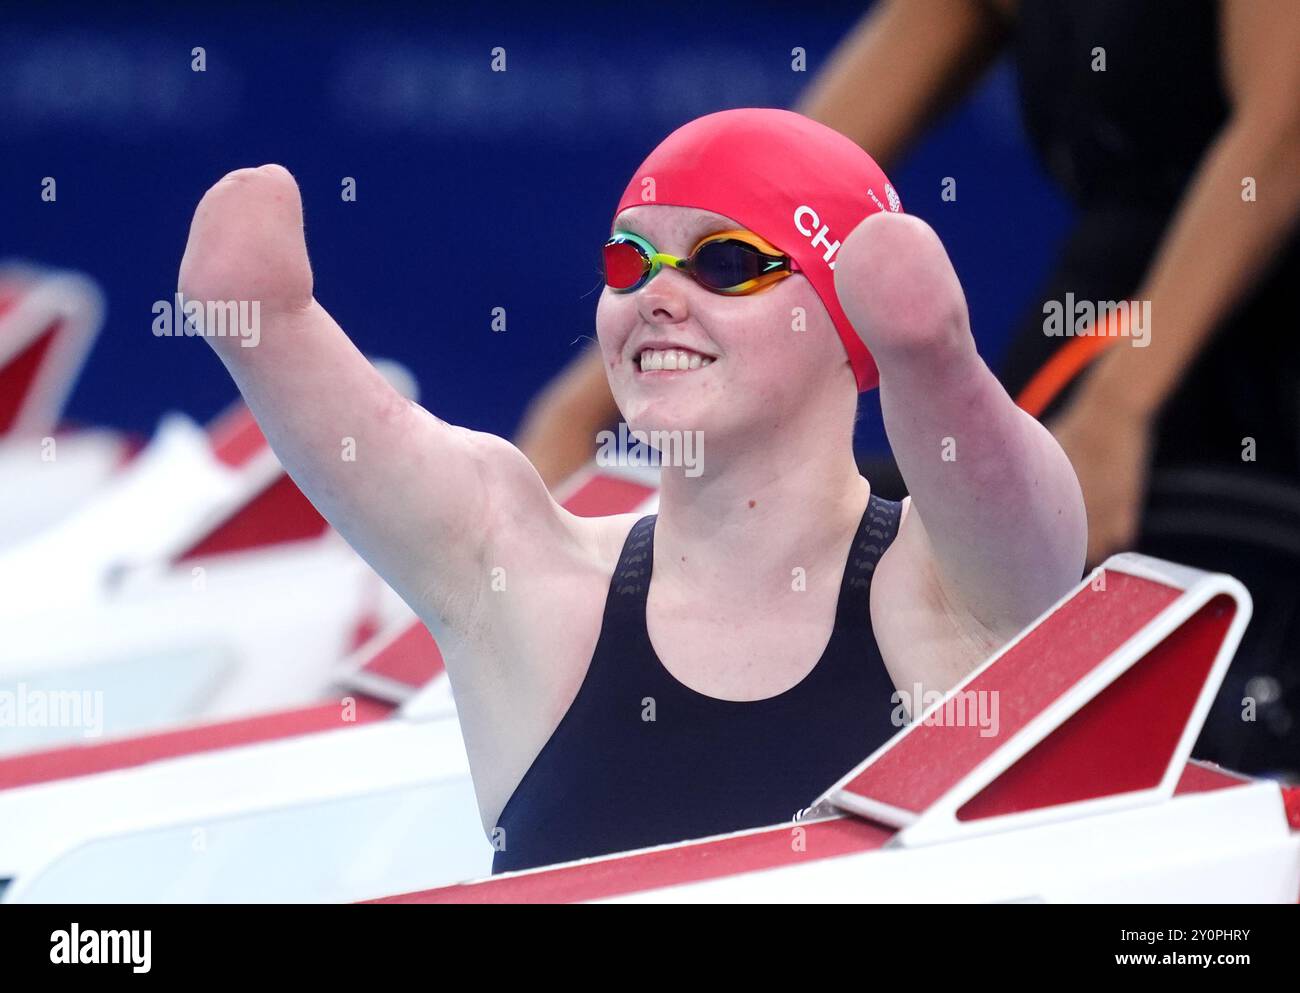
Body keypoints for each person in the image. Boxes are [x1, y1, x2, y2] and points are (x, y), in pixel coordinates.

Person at [178, 108, 1085, 873]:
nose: (657, 293)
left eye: (724, 262)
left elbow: (1017, 509)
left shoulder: (939, 590)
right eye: (628, 261)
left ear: (848, 316)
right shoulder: (532, 586)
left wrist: (931, 353)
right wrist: (263, 321)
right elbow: (303, 368)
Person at [517, 0, 1300, 775]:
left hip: (1250, 342)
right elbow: (798, 182)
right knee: (831, 531)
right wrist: (586, 401)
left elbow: (1285, 133)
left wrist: (1118, 409)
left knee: (1028, 564)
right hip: (1110, 297)